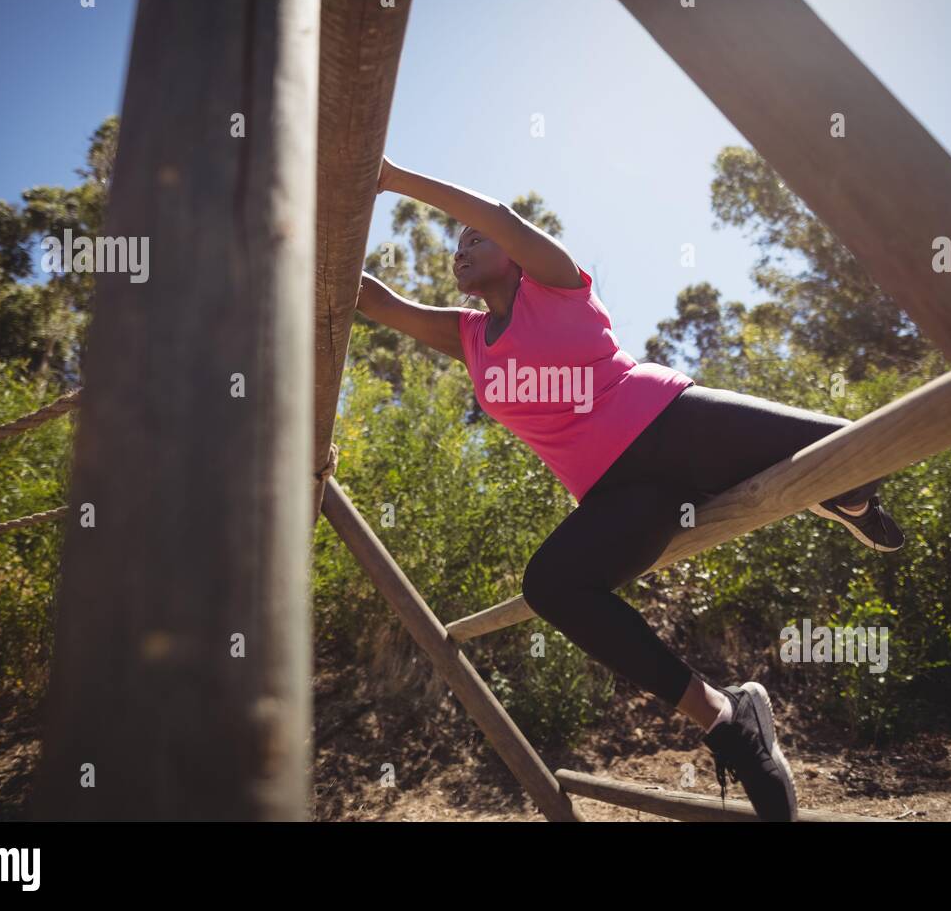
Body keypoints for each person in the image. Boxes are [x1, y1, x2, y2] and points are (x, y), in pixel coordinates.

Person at [355, 156, 904, 821]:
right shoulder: (468, 337)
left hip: (672, 426)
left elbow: (497, 216)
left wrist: (390, 176)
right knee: (550, 586)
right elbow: (375, 301)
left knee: (864, 450)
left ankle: (848, 502)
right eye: (457, 245)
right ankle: (728, 718)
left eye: (474, 238)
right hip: (622, 495)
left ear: (515, 254)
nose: (462, 247)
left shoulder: (555, 283)